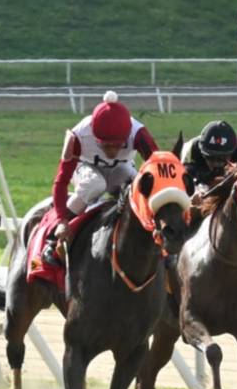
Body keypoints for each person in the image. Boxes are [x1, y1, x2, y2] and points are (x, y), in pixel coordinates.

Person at [42, 90, 158, 265]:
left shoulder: (139, 133)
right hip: (85, 168)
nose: (111, 151)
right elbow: (61, 180)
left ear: (127, 136)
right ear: (94, 136)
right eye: (105, 145)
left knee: (137, 183)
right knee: (96, 184)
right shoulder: (78, 135)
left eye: (117, 145)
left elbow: (157, 167)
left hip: (121, 168)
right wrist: (61, 220)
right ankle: (52, 239)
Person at [181, 120, 237, 192]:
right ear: (201, 152)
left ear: (233, 152)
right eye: (211, 158)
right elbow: (184, 180)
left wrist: (234, 175)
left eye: (222, 158)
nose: (216, 164)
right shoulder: (191, 149)